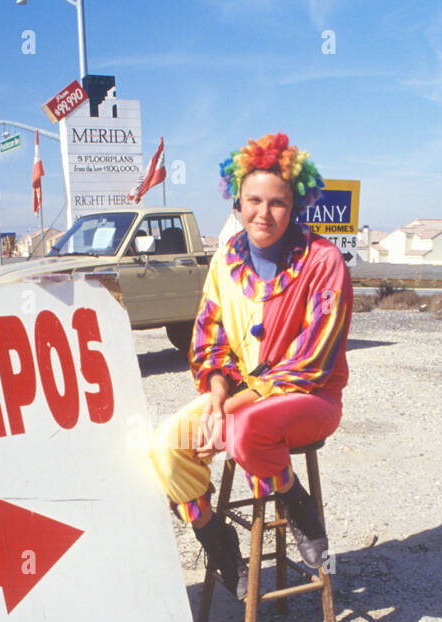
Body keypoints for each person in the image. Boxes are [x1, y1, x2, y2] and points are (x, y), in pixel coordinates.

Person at [150, 132, 351, 598]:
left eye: (277, 203)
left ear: (297, 203)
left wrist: (229, 408)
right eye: (253, 200)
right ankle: (221, 548)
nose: (263, 213)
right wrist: (217, 390)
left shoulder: (323, 262)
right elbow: (209, 336)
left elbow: (312, 359)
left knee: (243, 432)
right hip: (237, 399)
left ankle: (297, 504)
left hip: (309, 398)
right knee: (166, 446)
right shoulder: (226, 259)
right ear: (236, 202)